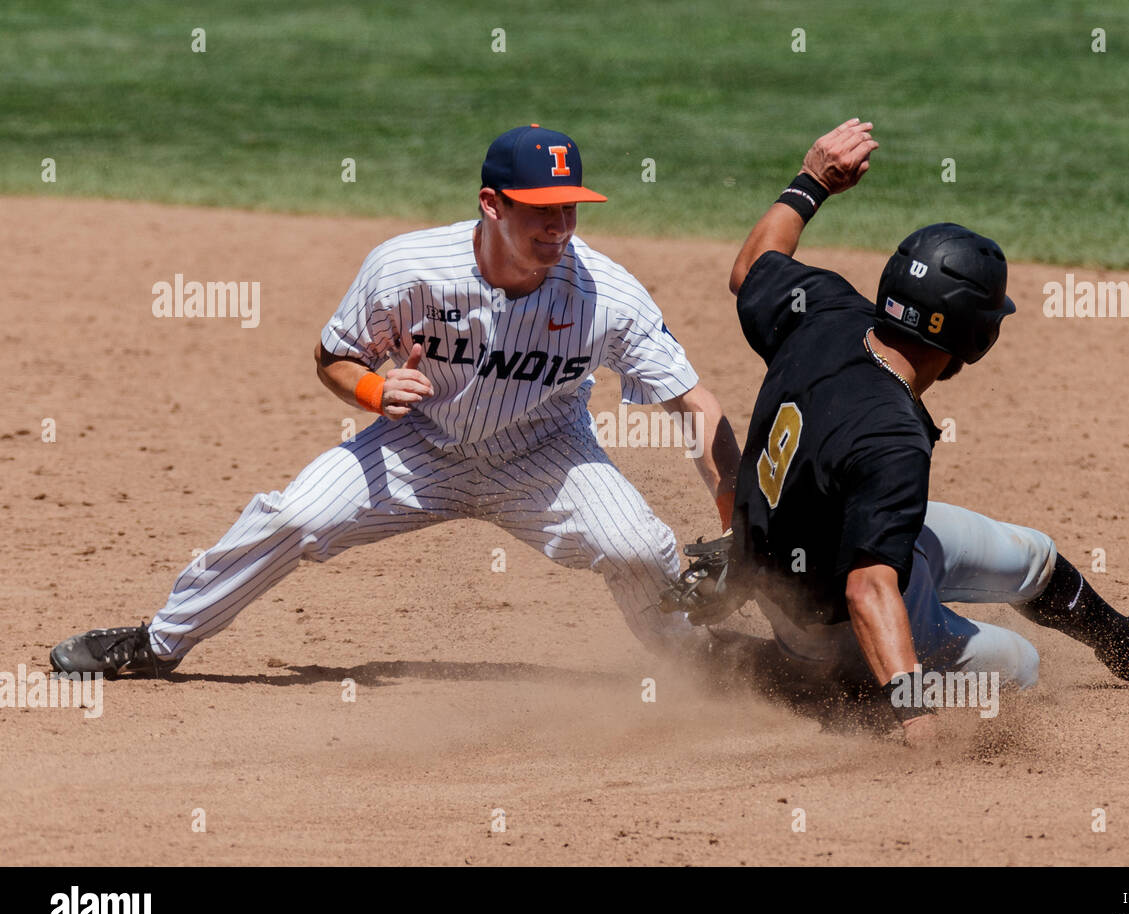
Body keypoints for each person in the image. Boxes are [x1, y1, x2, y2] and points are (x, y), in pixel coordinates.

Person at [51, 124, 740, 678]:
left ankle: (712, 672)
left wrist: (736, 517)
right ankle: (157, 642)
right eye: (540, 210)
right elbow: (333, 357)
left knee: (637, 545)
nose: (559, 227)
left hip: (545, 453)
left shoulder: (607, 296)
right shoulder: (407, 269)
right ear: (492, 204)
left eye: (570, 208)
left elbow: (696, 405)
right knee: (294, 516)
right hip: (419, 447)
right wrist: (376, 390)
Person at [704, 119, 1129, 745]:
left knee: (1032, 556)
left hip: (818, 543)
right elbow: (867, 587)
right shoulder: (892, 440)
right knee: (1021, 666)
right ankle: (801, 680)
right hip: (827, 616)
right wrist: (916, 717)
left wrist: (812, 181)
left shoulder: (824, 309)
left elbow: (751, 267)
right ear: (974, 336)